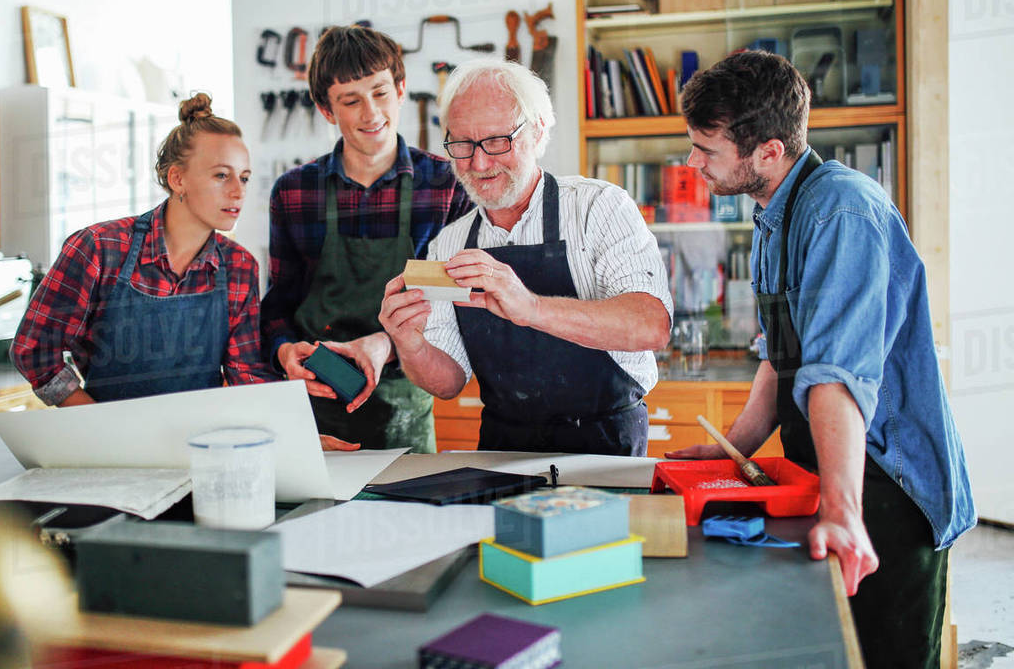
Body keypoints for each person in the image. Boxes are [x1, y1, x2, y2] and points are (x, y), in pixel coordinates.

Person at [667, 50, 975, 668]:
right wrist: (734, 449)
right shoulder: (773, 216)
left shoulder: (840, 212)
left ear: (768, 151)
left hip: (883, 489)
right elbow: (778, 356)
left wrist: (842, 512)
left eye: (707, 149)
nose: (692, 163)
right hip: (825, 475)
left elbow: (837, 379)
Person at [379, 58, 672, 456]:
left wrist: (530, 307)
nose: (478, 163)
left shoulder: (598, 208)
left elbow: (650, 325)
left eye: (498, 141)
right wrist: (409, 344)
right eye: (462, 144)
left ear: (537, 130)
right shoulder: (449, 244)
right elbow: (447, 383)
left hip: (606, 447)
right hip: (504, 450)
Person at [261, 25, 473, 453]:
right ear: (326, 109)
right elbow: (279, 304)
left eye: (379, 92)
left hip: (406, 411)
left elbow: (456, 307)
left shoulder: (447, 186)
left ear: (401, 88)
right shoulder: (295, 192)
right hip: (315, 414)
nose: (370, 113)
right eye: (350, 100)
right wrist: (284, 352)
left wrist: (387, 344)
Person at [11, 93, 273, 405]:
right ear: (177, 178)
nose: (237, 191)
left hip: (198, 443)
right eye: (221, 175)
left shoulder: (240, 267)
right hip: (109, 448)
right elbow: (34, 349)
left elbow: (247, 373)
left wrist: (296, 429)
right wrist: (96, 421)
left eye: (244, 178)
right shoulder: (98, 249)